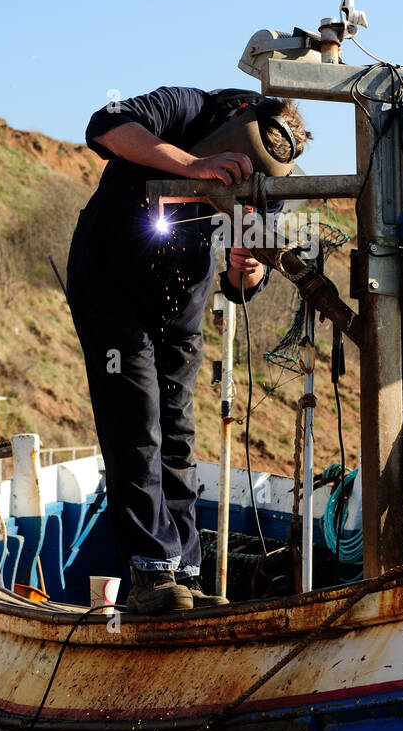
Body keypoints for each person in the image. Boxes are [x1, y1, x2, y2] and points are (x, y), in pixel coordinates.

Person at [66, 86, 310, 615]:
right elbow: (104, 125)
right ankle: (152, 574)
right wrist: (192, 164)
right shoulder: (185, 107)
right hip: (111, 276)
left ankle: (187, 572)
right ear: (233, 125)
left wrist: (250, 271)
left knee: (176, 429)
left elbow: (247, 271)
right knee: (138, 418)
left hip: (181, 290)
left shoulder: (272, 172)